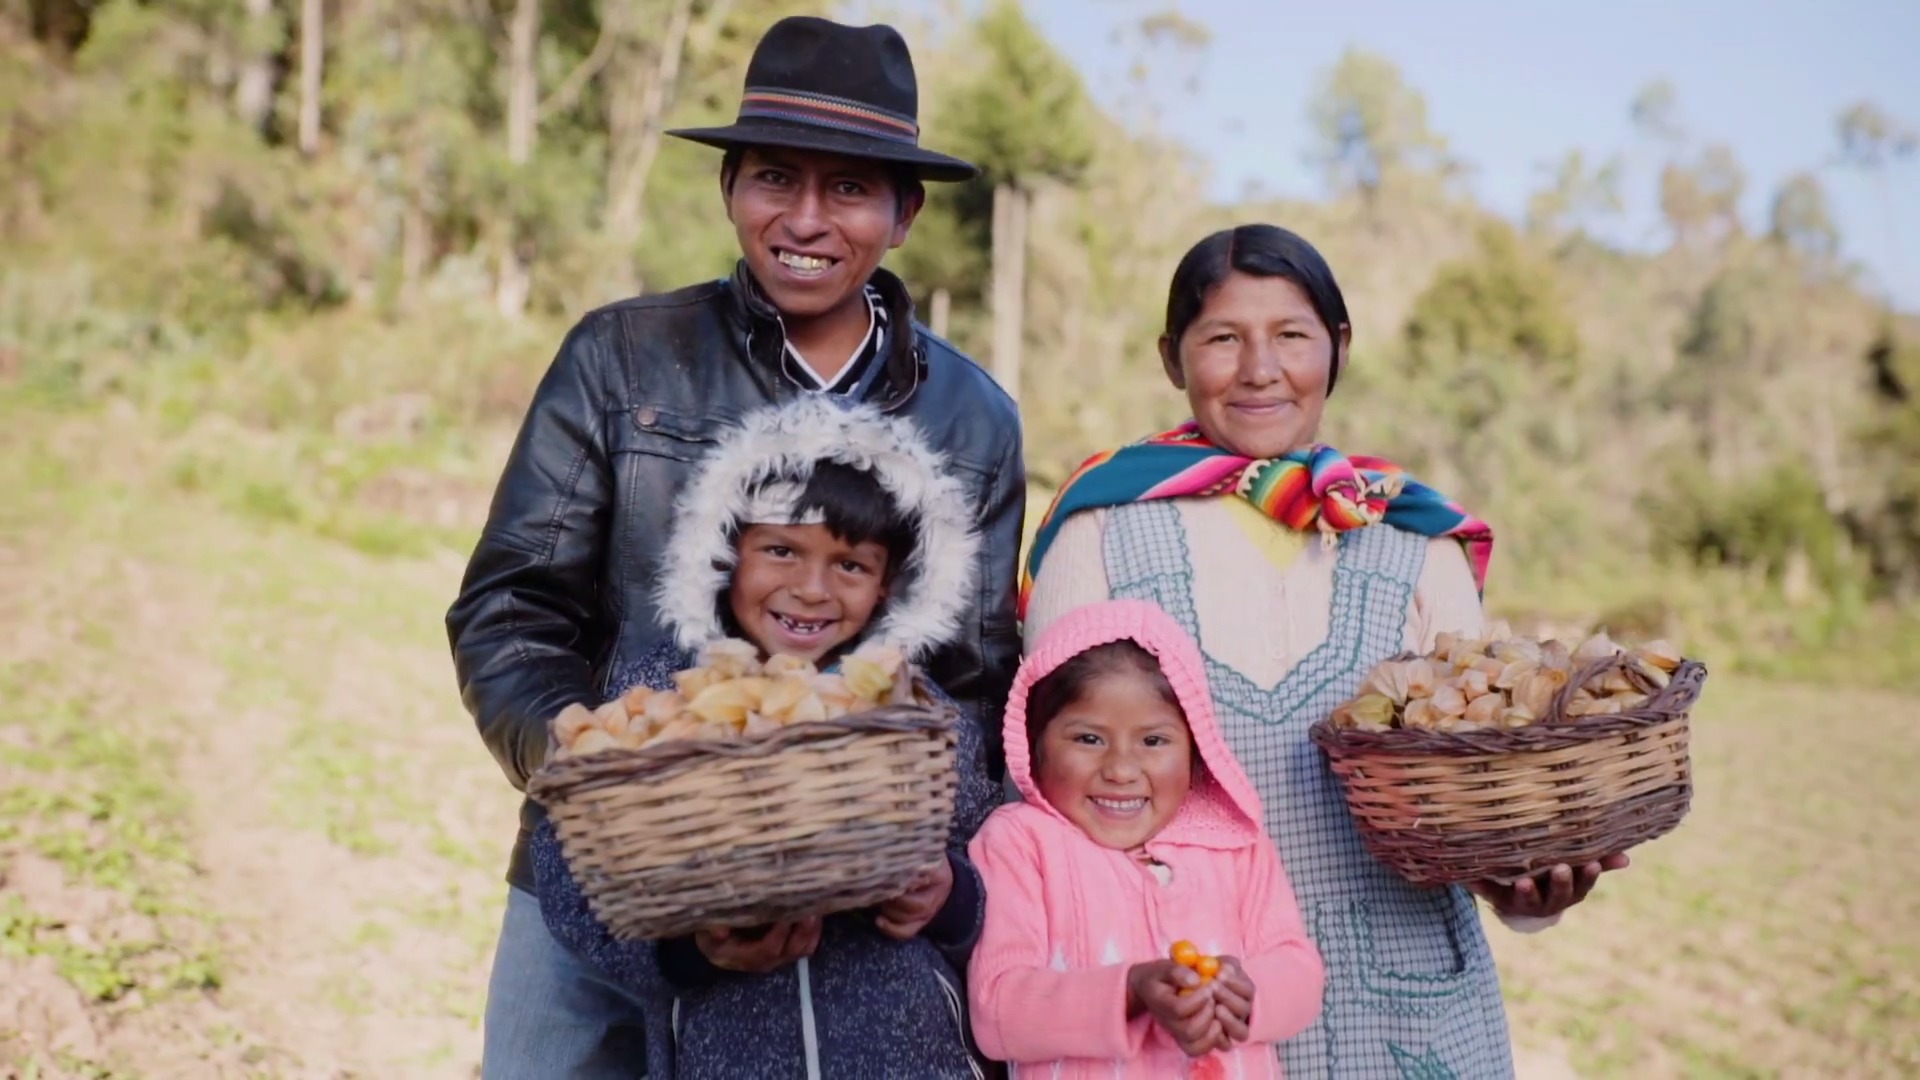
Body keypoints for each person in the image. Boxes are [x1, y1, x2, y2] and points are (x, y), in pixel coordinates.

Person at [444, 16, 1024, 1078]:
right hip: (605, 868)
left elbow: (972, 682)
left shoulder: (973, 418)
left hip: (857, 912)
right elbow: (512, 606)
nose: (805, 218)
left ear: (905, 213)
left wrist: (940, 874)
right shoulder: (623, 358)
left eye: (850, 188)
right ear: (730, 190)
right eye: (773, 177)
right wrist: (586, 766)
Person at [1018, 224, 1629, 1078]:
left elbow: (1477, 789)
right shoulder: (1099, 536)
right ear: (1173, 358)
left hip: (1408, 1009)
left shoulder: (1415, 542)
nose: (1260, 369)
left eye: (1292, 336)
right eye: (1223, 339)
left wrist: (1524, 890)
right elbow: (1052, 806)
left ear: (1338, 348)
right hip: (1194, 1013)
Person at [530, 396, 997, 1079]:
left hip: (910, 1053)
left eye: (851, 565)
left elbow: (987, 847)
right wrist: (691, 952)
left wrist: (950, 898)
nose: (811, 589)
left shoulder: (913, 712)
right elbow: (575, 877)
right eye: (780, 550)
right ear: (727, 551)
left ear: (887, 585)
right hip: (728, 1052)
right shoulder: (661, 695)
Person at [967, 599, 1325, 1078]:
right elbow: (997, 1010)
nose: (1120, 770)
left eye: (1153, 741)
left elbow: (1299, 973)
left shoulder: (1236, 847)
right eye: (1088, 739)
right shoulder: (1020, 844)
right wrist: (1130, 993)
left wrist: (1244, 993)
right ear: (1033, 744)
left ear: (1196, 750)